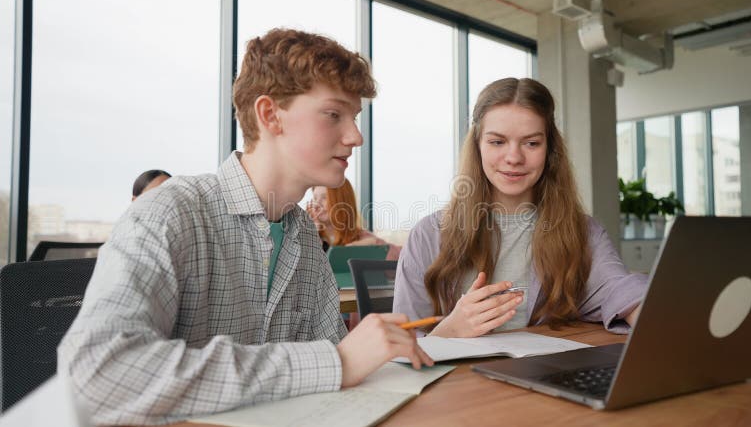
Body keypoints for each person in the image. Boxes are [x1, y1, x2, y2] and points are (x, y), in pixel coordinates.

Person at [58, 28, 431, 426]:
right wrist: (334, 362)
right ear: (269, 114)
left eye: (354, 118)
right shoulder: (169, 213)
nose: (355, 136)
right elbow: (98, 374)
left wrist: (353, 359)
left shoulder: (303, 234)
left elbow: (339, 367)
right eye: (333, 114)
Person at [393, 77, 647, 338]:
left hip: (544, 375)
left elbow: (619, 288)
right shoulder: (428, 235)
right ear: (478, 145)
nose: (514, 158)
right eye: (497, 142)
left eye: (531, 143)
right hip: (455, 378)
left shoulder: (582, 232)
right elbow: (404, 344)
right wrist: (450, 331)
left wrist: (649, 315)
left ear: (549, 150)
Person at [307, 178, 402, 260]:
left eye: (324, 198)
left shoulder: (363, 238)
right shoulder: (306, 237)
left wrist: (374, 244)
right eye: (315, 198)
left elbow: (404, 256)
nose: (317, 204)